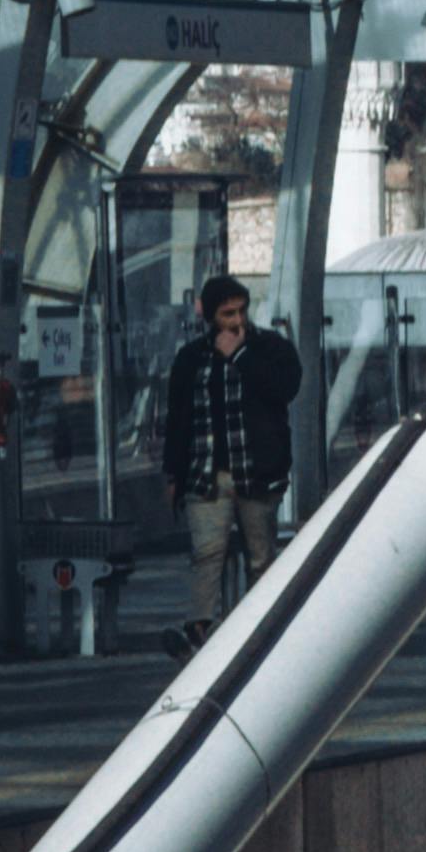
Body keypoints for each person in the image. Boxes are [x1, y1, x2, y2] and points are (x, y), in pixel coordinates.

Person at [159, 273, 304, 639]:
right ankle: (203, 626)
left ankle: (259, 628)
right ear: (210, 317)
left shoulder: (269, 348)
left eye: (241, 311)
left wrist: (239, 356)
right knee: (207, 553)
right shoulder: (191, 359)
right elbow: (178, 419)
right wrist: (173, 474)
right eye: (227, 314)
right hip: (207, 473)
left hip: (256, 473)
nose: (237, 321)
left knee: (261, 555)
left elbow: (284, 388)